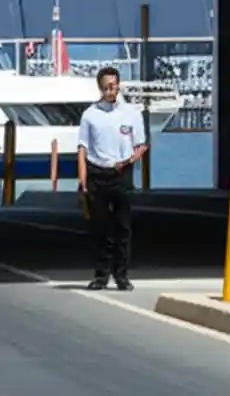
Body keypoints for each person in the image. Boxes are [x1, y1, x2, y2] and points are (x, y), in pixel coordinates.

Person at [77, 65, 148, 291]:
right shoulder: (90, 115)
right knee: (100, 228)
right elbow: (82, 150)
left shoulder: (131, 113)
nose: (111, 90)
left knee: (122, 227)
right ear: (100, 88)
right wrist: (83, 181)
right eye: (107, 86)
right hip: (98, 173)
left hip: (121, 174)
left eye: (114, 85)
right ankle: (100, 275)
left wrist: (128, 161)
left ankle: (122, 276)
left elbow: (141, 146)